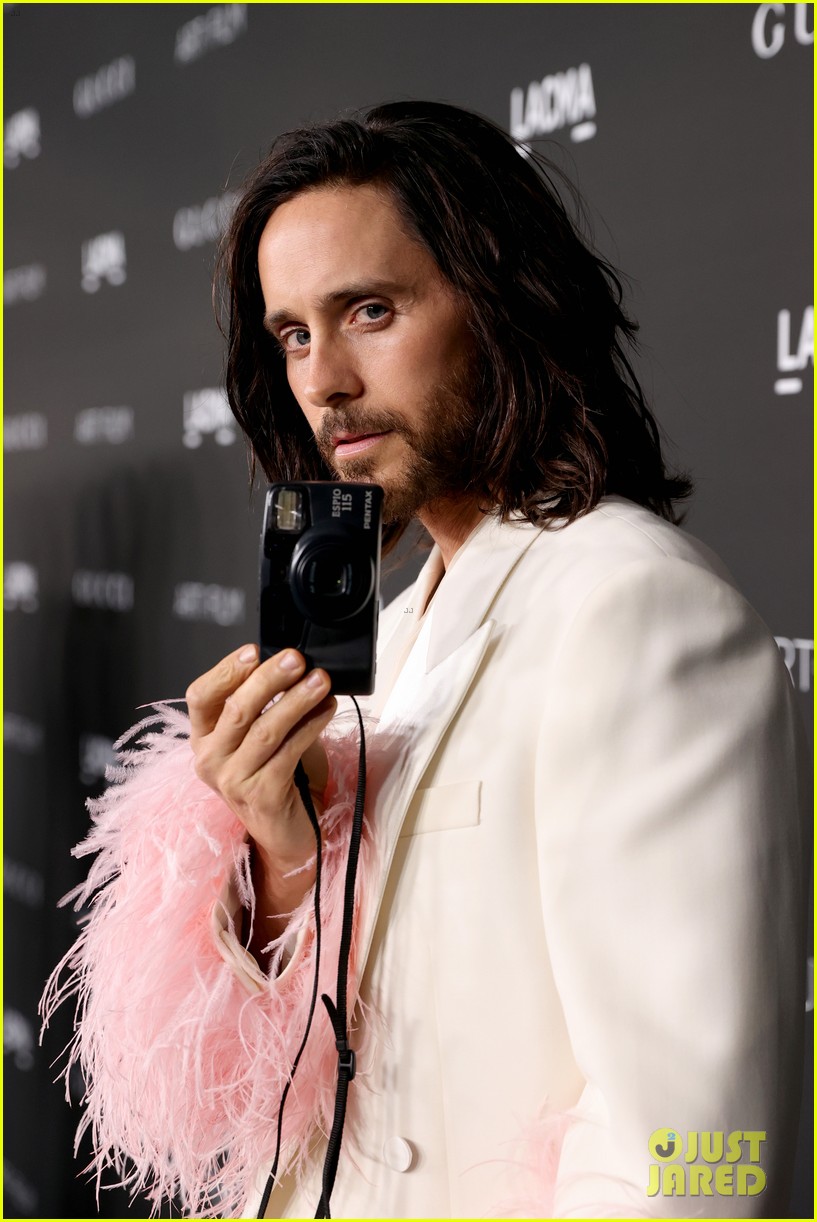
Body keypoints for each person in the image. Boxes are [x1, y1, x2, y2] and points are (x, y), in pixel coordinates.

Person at [41, 101, 807, 1220]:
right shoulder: (392, 630)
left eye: (369, 310)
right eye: (293, 333)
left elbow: (699, 1154)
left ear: (502, 309)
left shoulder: (636, 611)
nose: (323, 381)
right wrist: (283, 850)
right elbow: (357, 1054)